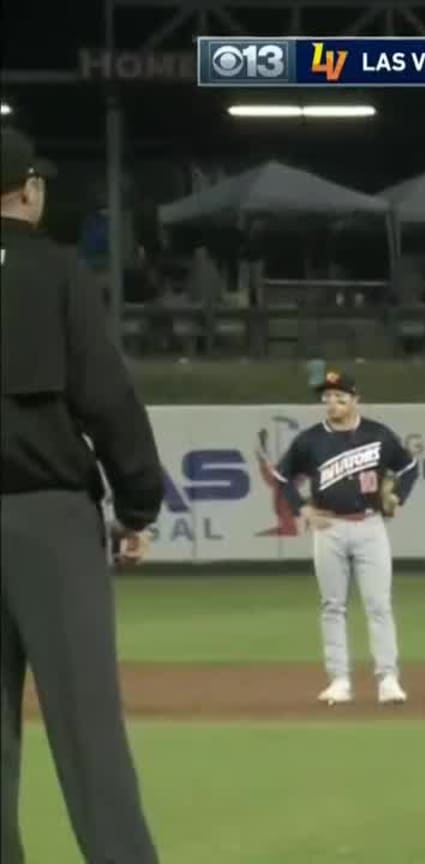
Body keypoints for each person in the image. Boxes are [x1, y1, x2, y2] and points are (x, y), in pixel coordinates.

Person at [1, 126, 164, 863]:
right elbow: (106, 397)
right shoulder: (57, 271)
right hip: (47, 518)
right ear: (29, 190)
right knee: (86, 730)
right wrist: (138, 505)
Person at [271, 370, 420, 705]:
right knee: (332, 606)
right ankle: (339, 680)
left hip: (369, 526)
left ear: (356, 399)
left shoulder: (377, 435)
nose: (332, 402)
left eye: (340, 396)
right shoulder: (311, 440)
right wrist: (302, 509)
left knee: (378, 605)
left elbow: (409, 467)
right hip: (329, 528)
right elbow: (282, 477)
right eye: (327, 397)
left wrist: (397, 496)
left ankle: (388, 679)